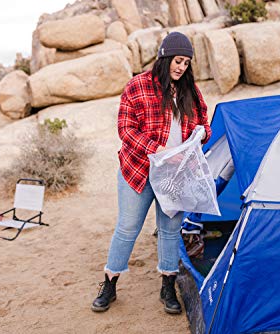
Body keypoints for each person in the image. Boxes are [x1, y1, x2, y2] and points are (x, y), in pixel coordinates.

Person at [91, 31, 212, 314]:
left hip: (174, 175)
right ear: (164, 57)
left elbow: (204, 121)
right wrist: (156, 149)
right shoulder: (137, 86)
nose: (181, 67)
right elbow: (125, 129)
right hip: (139, 169)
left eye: (186, 62)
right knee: (128, 228)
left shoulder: (190, 90)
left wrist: (201, 134)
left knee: (170, 232)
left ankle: (168, 286)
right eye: (177, 61)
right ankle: (109, 284)